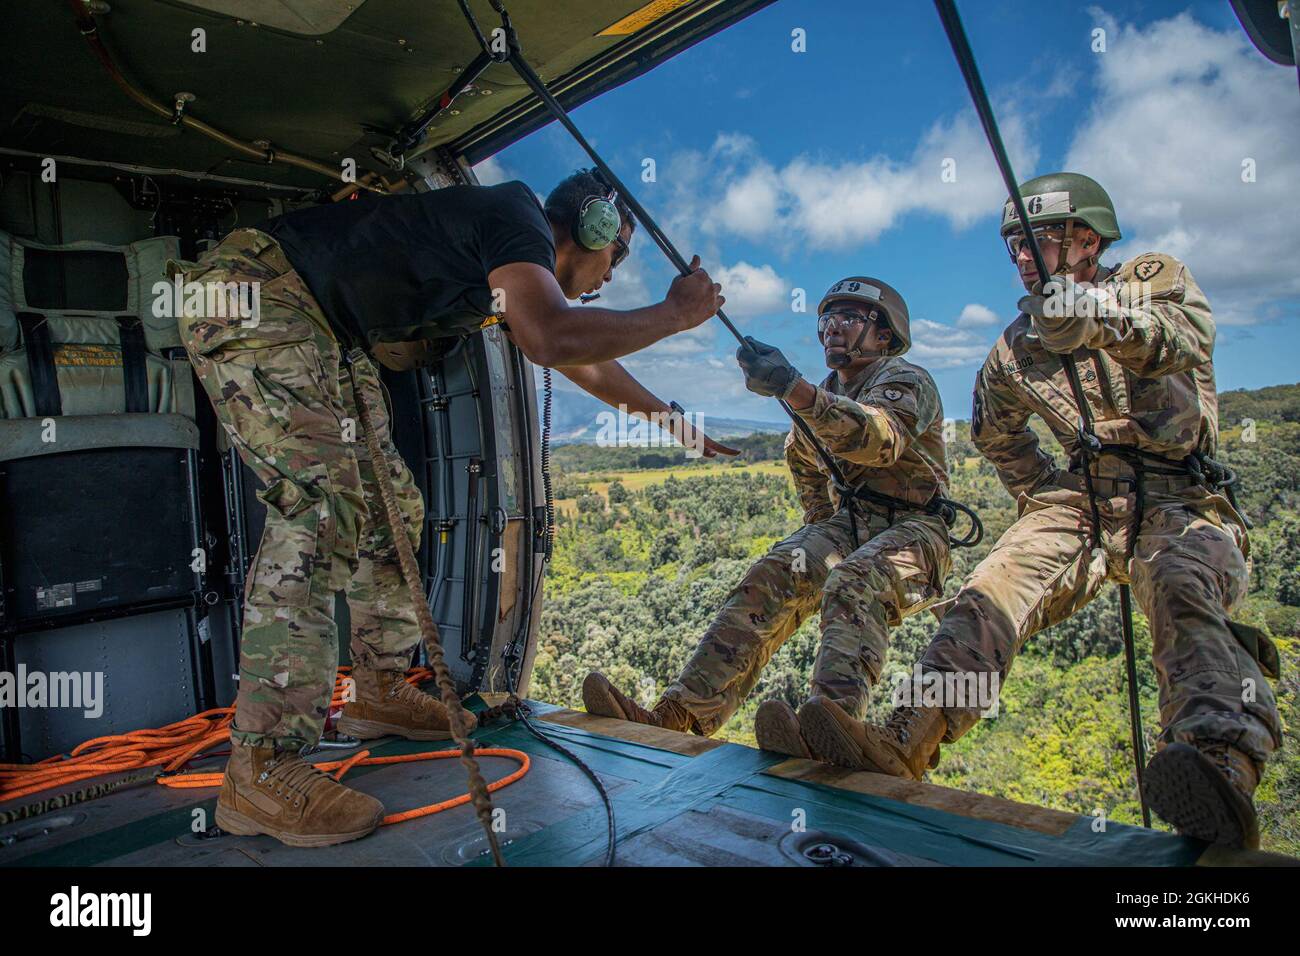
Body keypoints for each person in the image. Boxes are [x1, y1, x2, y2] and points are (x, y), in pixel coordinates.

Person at [175, 168, 729, 847]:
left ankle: (376, 694)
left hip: (322, 330)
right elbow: (552, 338)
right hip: (260, 299)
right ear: (595, 228)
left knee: (392, 511)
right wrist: (676, 315)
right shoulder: (515, 214)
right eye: (617, 257)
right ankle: (261, 767)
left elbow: (583, 361)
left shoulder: (509, 272)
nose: (612, 278)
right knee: (324, 511)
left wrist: (673, 424)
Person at [796, 173, 1282, 849]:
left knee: (1183, 590)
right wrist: (1040, 499)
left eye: (1038, 240)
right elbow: (995, 432)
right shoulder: (1016, 345)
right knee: (985, 597)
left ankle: (1218, 759)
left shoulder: (1150, 280)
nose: (1023, 257)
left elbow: (1185, 337)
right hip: (1080, 498)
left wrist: (1092, 319)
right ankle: (909, 735)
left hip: (1178, 493)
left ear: (1086, 238)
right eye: (1013, 246)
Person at [583, 277, 952, 759]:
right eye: (827, 320)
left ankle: (831, 729)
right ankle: (682, 716)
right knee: (774, 571)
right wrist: (822, 529)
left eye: (849, 318)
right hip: (853, 524)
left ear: (884, 336)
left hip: (917, 532)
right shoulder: (821, 394)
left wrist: (792, 389)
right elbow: (801, 457)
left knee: (855, 580)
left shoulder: (906, 380)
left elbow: (877, 441)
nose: (832, 330)